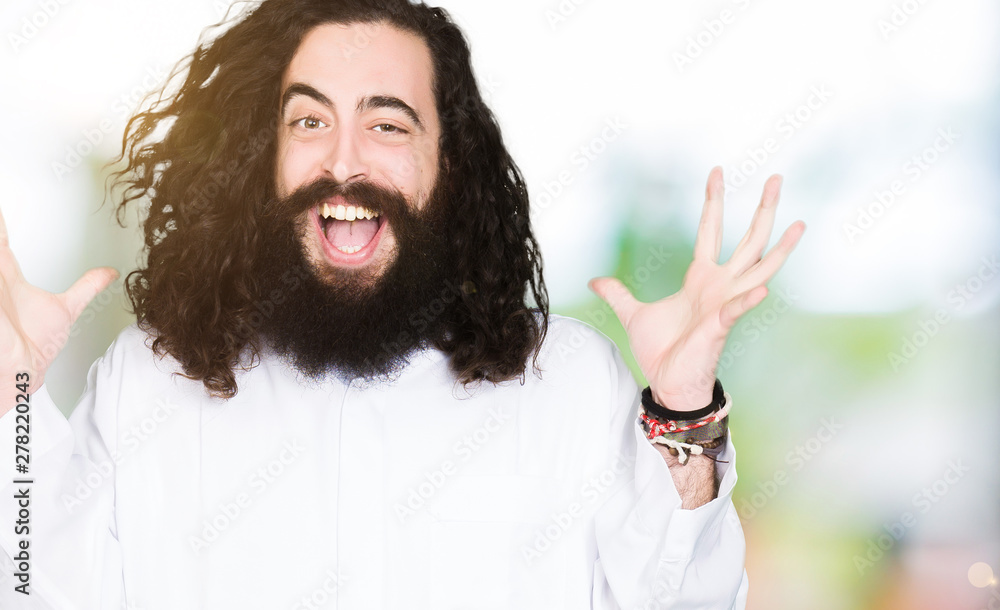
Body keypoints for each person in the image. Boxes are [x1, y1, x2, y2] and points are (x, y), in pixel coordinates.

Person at [0, 0, 804, 608]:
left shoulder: (564, 381)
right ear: (263, 158)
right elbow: (34, 582)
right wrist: (13, 399)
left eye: (388, 125)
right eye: (309, 120)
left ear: (448, 165)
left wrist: (684, 405)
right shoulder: (149, 378)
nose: (342, 161)